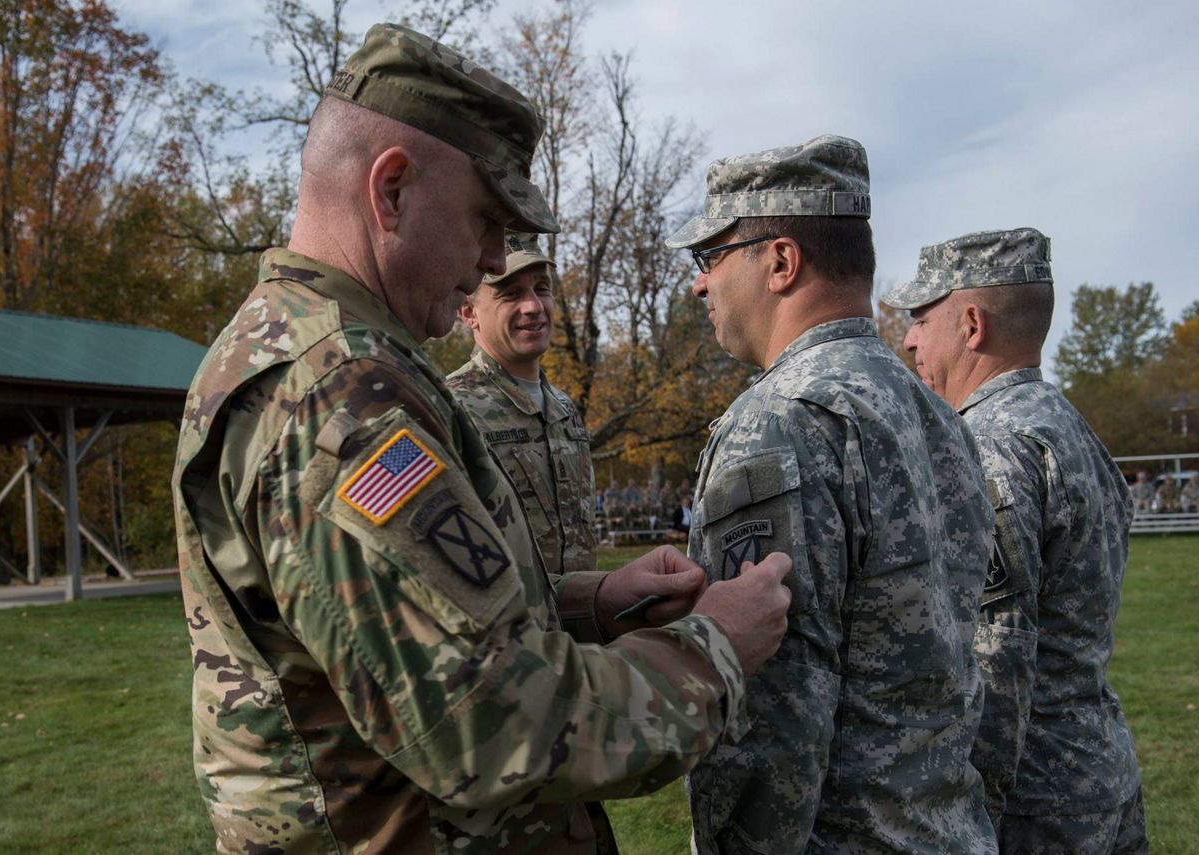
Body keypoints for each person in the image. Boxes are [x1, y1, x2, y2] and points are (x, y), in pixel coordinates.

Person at [171, 23, 795, 854]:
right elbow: (494, 726)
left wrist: (592, 602)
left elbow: (411, 624)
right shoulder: (339, 396)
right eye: (485, 218)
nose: (496, 256)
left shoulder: (334, 356)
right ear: (390, 190)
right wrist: (716, 648)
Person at [668, 135, 996, 853]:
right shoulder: (934, 412)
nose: (700, 284)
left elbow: (763, 712)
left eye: (712, 257)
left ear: (780, 261)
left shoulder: (780, 420)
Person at [885, 227, 1146, 853]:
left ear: (971, 325)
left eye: (921, 318)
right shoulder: (1066, 425)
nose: (909, 338)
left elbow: (994, 655)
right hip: (1098, 767)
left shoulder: (989, 444)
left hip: (1034, 799)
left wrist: (971, 815)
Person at [448, 232, 598, 576]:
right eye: (511, 293)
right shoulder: (453, 408)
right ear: (469, 312)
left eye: (541, 289)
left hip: (586, 623)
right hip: (512, 627)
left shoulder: (564, 410)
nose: (533, 306)